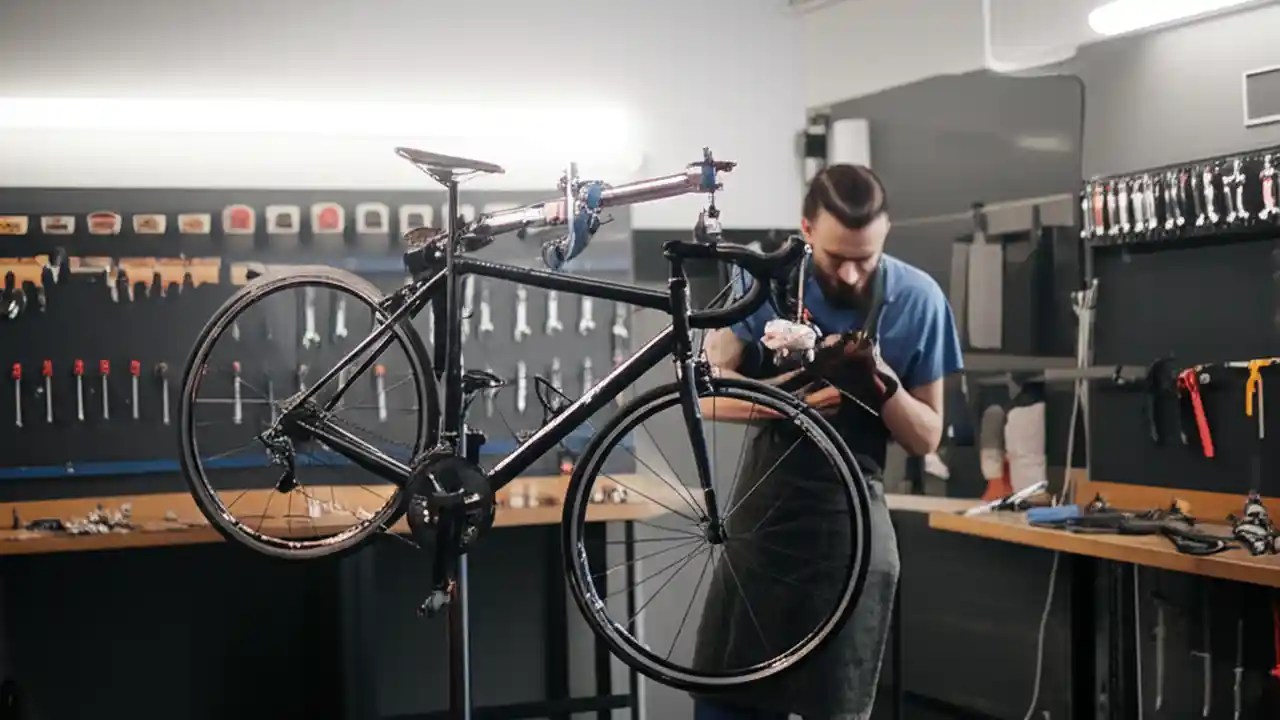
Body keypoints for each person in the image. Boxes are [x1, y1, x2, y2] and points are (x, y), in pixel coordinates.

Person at [691, 164, 963, 720]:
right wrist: (791, 402)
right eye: (837, 256)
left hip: (853, 529)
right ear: (807, 230)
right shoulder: (764, 284)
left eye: (866, 257)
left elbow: (926, 437)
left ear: (886, 233)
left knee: (837, 705)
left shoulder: (918, 300)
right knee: (729, 699)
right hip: (766, 523)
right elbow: (706, 396)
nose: (852, 272)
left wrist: (882, 381)